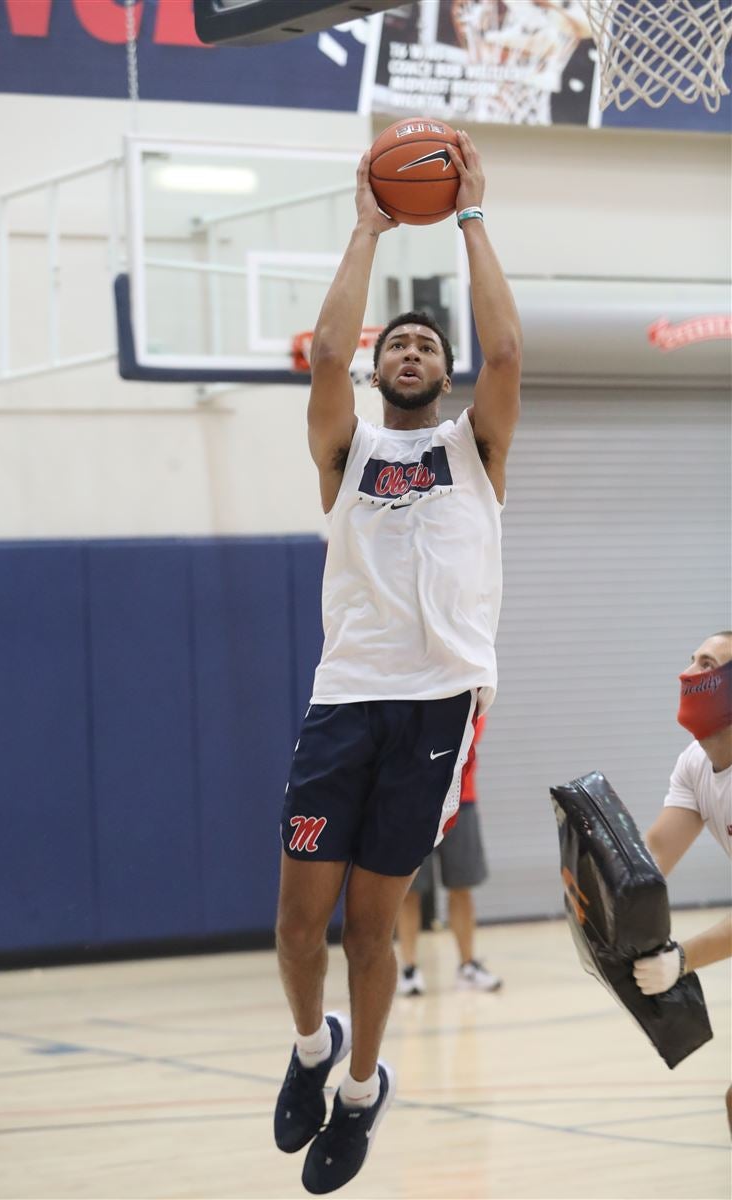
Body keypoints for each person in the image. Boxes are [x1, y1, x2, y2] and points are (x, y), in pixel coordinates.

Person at [273, 130, 521, 1195]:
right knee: (295, 922)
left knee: (373, 928)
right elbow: (326, 355)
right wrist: (369, 223)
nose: (411, 352)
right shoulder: (350, 454)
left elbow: (506, 354)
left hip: (433, 707)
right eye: (398, 346)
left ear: (443, 372)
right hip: (345, 699)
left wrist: (469, 215)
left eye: (426, 345)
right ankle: (311, 1048)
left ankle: (364, 1088)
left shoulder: (475, 448)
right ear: (380, 369)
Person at [632, 631, 731, 1132]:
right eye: (691, 659)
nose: (689, 673)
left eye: (706, 663)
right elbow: (651, 862)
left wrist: (682, 959)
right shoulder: (695, 763)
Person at [396, 714, 502, 995]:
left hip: (460, 800)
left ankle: (467, 966)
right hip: (413, 801)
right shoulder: (412, 693)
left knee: (462, 886)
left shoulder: (470, 693)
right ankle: (409, 968)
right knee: (408, 890)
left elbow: (465, 737)